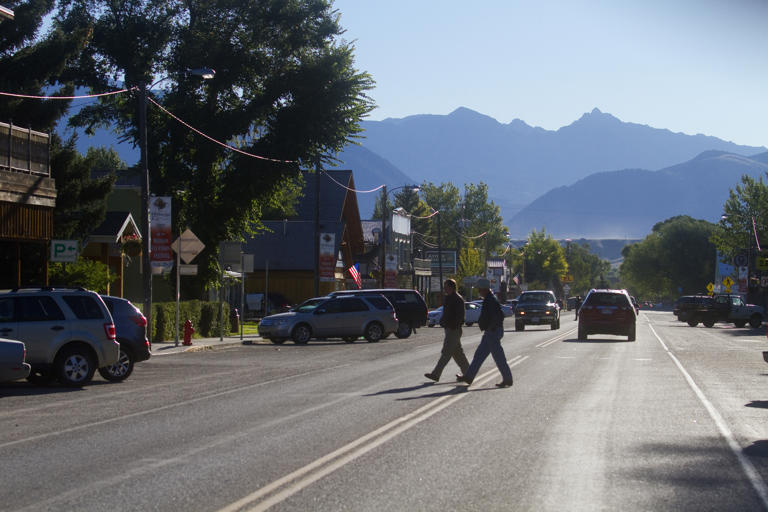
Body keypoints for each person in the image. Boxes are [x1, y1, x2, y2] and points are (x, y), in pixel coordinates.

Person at [457, 278, 513, 388]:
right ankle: (469, 376)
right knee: (479, 355)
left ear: (484, 289)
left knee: (498, 357)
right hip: (490, 331)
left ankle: (508, 379)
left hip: (492, 332)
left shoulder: (490, 300)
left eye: (479, 289)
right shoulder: (490, 299)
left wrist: (492, 327)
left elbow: (498, 316)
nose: (478, 291)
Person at [424, 279, 469, 382]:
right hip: (449, 329)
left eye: (446, 286)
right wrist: (443, 321)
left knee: (446, 352)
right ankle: (468, 374)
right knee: (458, 354)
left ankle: (436, 374)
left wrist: (452, 325)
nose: (444, 288)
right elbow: (446, 314)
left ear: (451, 287)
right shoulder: (449, 298)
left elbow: (460, 316)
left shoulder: (457, 299)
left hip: (454, 330)